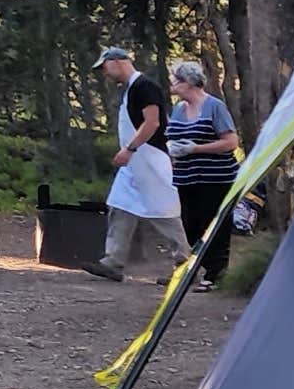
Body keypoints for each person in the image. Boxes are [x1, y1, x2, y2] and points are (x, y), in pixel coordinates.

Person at [94, 43, 180, 282]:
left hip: (150, 157)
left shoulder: (145, 87)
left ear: (117, 62)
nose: (105, 73)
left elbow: (152, 122)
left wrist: (130, 149)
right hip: (135, 162)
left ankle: (185, 264)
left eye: (105, 67)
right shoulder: (131, 89)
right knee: (120, 206)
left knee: (163, 212)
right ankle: (113, 260)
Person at [161, 57, 243, 268]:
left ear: (188, 82)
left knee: (213, 226)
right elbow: (173, 135)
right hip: (186, 179)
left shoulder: (215, 107)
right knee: (189, 226)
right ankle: (192, 271)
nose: (172, 85)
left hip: (215, 179)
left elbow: (231, 142)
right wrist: (173, 149)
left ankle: (215, 272)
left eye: (175, 81)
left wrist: (195, 149)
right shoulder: (179, 109)